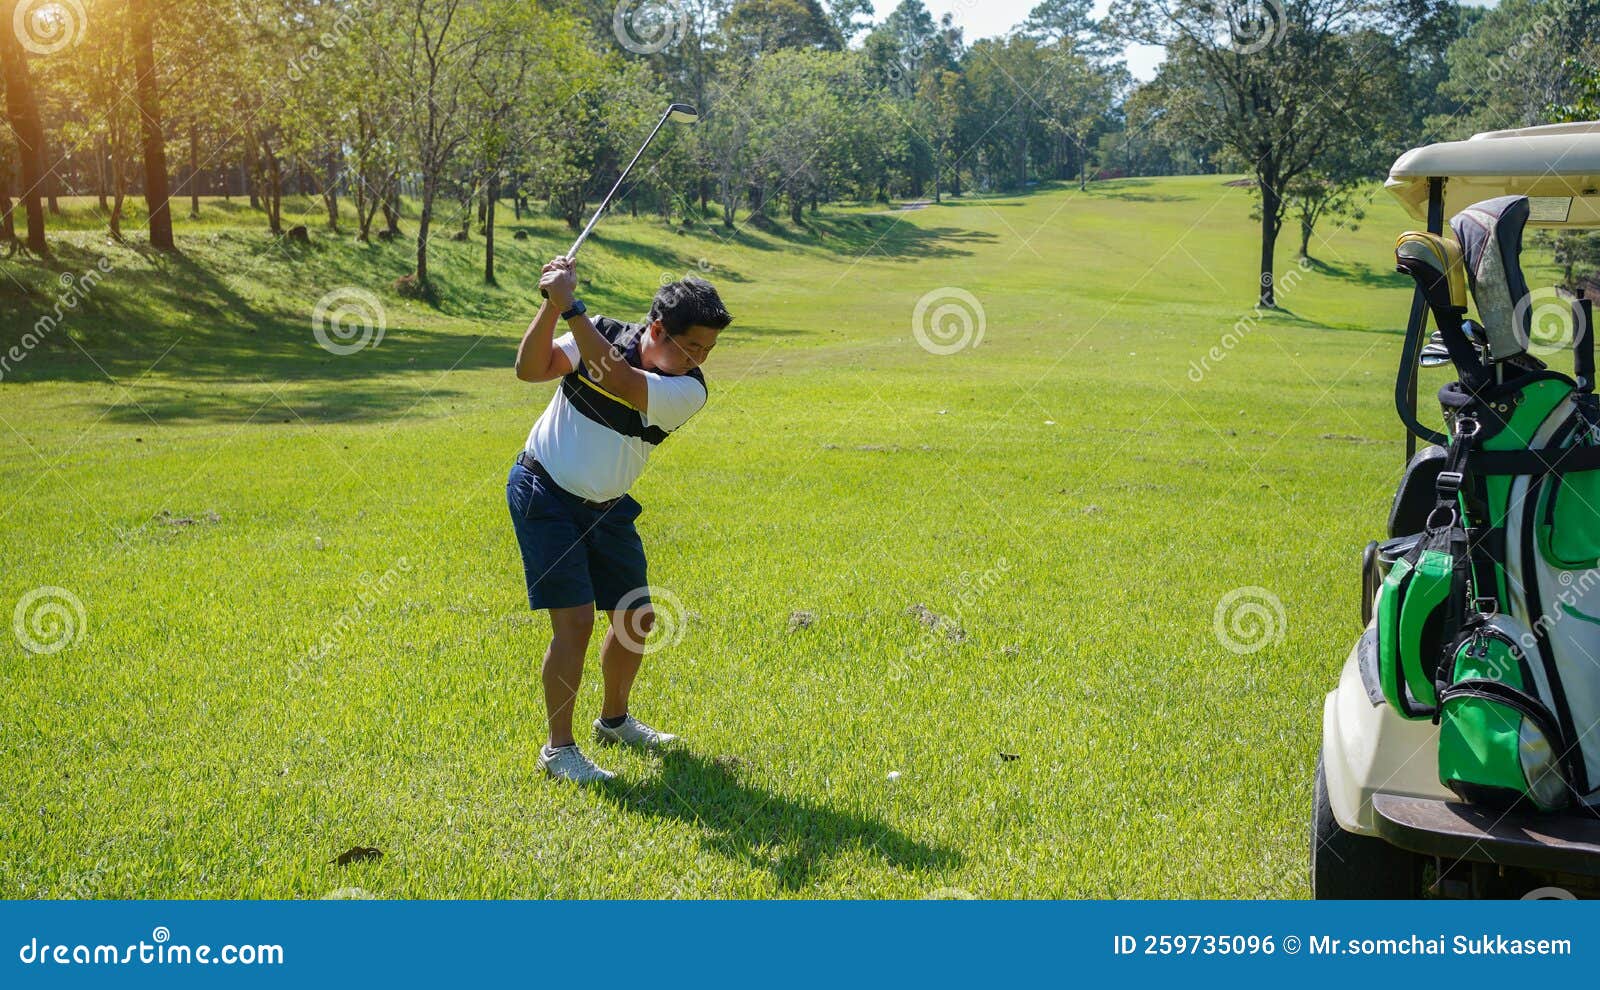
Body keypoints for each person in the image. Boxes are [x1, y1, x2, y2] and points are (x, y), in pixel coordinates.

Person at [507, 255, 732, 782]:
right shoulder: (602, 332)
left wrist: (571, 306)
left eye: (707, 350)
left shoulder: (689, 390)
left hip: (606, 507)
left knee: (636, 617)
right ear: (657, 328)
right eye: (690, 346)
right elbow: (530, 369)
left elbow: (620, 380)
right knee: (575, 622)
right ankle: (559, 751)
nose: (698, 358)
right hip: (544, 491)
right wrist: (552, 306)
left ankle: (614, 721)